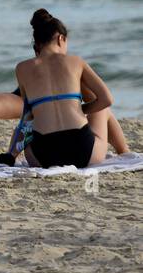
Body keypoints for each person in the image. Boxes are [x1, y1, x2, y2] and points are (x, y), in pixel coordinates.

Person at [13, 9, 129, 168]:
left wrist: (10, 154)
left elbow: (28, 115)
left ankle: (124, 151)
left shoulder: (22, 68)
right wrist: (81, 109)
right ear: (61, 39)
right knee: (102, 109)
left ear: (37, 43)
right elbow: (106, 99)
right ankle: (124, 151)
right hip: (83, 151)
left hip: (43, 157)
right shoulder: (75, 61)